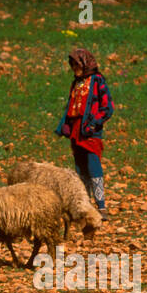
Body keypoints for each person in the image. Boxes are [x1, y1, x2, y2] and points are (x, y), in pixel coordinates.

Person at [55, 48, 114, 220]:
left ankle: (101, 206)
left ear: (85, 63)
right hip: (76, 130)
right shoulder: (76, 83)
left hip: (90, 131)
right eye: (72, 64)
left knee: (93, 164)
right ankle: (85, 205)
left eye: (76, 64)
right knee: (80, 167)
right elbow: (70, 105)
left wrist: (94, 123)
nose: (74, 67)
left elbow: (107, 108)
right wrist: (66, 124)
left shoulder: (97, 81)